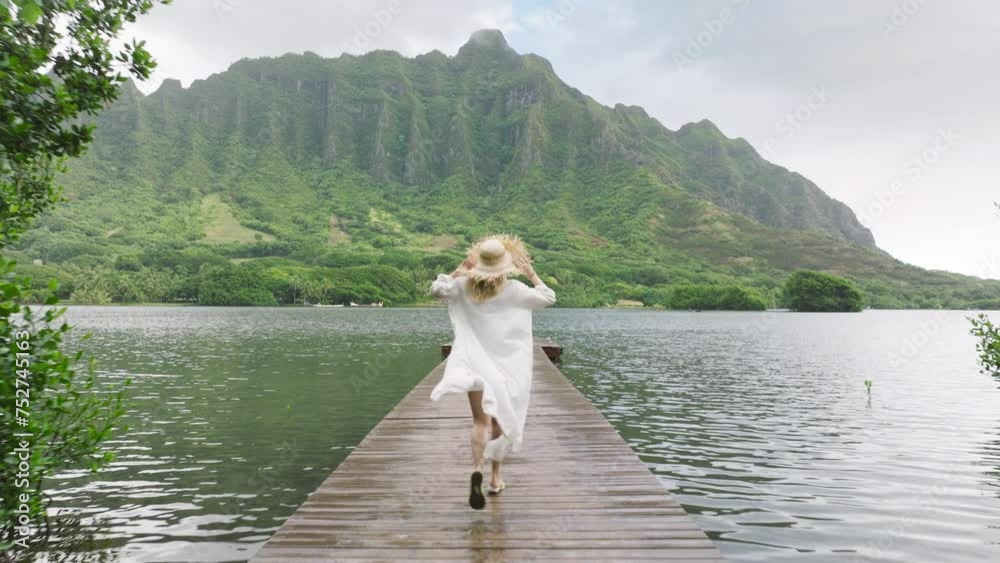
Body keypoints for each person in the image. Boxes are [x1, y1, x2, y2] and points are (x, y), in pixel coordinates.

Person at [429, 235, 556, 510]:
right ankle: (495, 480)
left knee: (479, 422)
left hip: (474, 364)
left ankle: (477, 468)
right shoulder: (515, 290)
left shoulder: (462, 287)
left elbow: (436, 289)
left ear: (479, 263)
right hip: (504, 369)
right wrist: (531, 273)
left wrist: (458, 271)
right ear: (505, 266)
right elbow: (548, 297)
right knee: (499, 423)